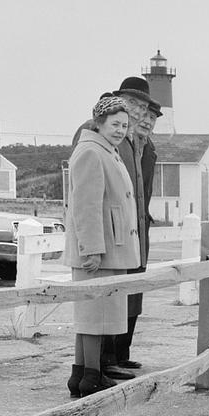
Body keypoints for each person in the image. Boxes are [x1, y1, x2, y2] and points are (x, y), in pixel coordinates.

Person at [63, 96, 140, 397]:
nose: (120, 130)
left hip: (109, 245)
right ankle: (91, 376)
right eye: (115, 124)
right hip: (99, 250)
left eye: (124, 125)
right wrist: (91, 249)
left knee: (92, 315)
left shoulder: (106, 150)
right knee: (93, 316)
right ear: (99, 123)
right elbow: (86, 206)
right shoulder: (91, 152)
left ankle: (81, 374)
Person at [112, 97, 161, 368]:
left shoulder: (147, 147)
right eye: (142, 114)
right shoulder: (121, 143)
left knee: (135, 293)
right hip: (123, 229)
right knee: (120, 292)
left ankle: (123, 354)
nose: (147, 121)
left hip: (140, 228)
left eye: (151, 118)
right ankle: (112, 357)